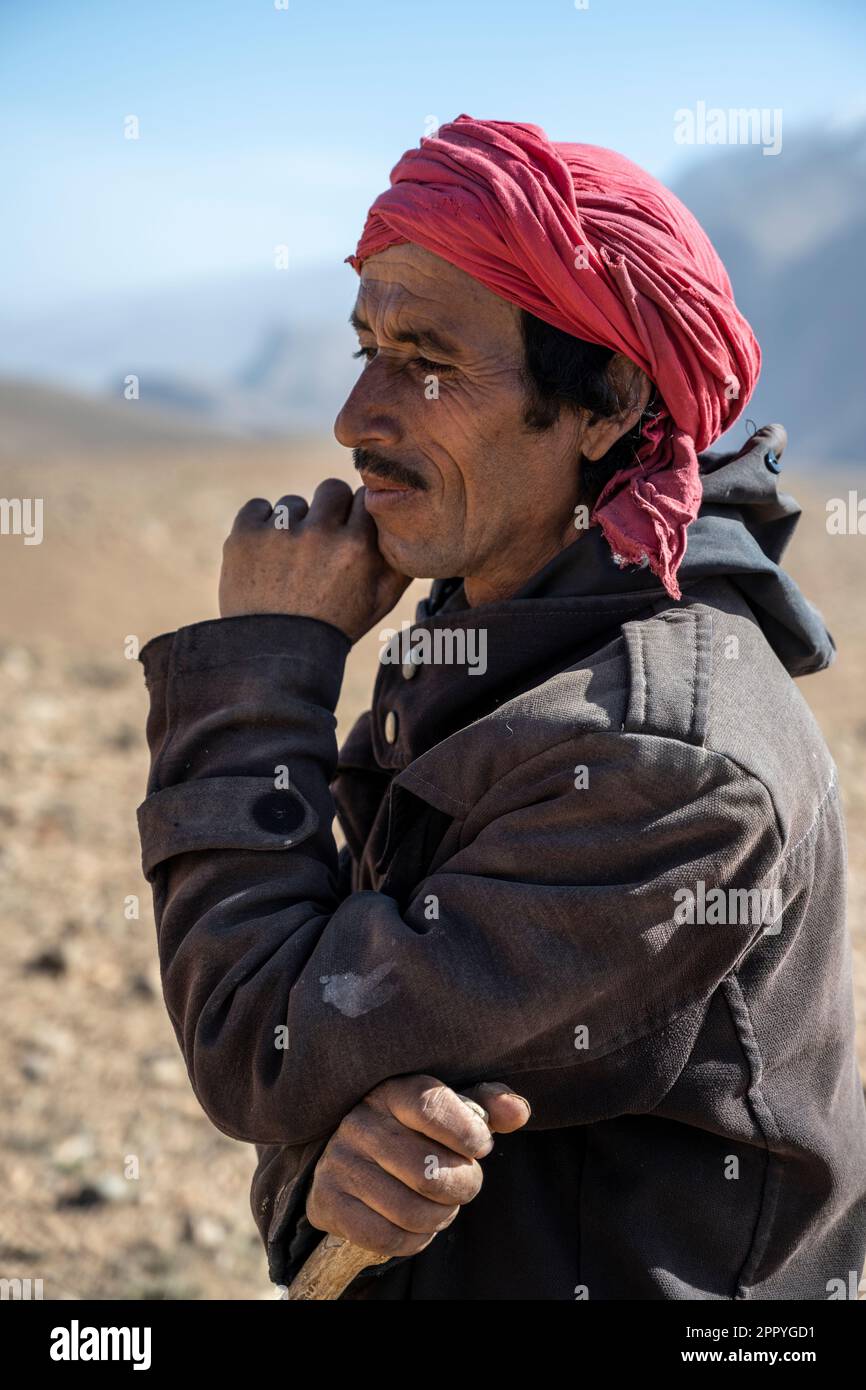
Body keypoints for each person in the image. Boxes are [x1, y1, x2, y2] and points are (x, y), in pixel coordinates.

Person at [136, 116, 866, 1299]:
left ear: (606, 401)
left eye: (426, 362)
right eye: (365, 347)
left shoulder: (662, 757)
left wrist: (261, 665)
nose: (356, 417)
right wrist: (328, 1165)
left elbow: (261, 1040)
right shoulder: (498, 633)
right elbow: (354, 1082)